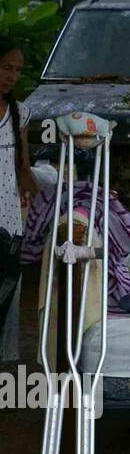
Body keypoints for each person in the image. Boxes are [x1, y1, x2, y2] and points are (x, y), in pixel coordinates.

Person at [0, 38, 39, 360]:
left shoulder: (19, 112)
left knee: (6, 283)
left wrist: (44, 205)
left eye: (17, 70)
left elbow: (23, 166)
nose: (11, 76)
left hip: (8, 212)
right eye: (5, 67)